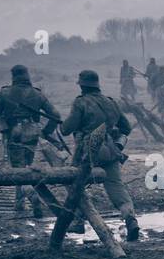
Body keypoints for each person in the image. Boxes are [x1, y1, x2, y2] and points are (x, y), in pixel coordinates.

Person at [56, 69, 137, 244]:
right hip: (111, 151)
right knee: (117, 188)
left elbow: (66, 129)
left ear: (82, 86)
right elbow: (127, 128)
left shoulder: (80, 103)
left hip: (87, 152)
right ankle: (130, 219)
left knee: (75, 185)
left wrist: (61, 126)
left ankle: (77, 221)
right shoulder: (111, 102)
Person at [0, 64, 61, 216]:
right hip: (32, 131)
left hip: (15, 132)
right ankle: (19, 204)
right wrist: (46, 132)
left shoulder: (5, 92)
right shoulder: (37, 94)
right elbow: (56, 115)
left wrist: (3, 127)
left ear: (13, 76)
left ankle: (31, 195)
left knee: (18, 169)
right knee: (26, 167)